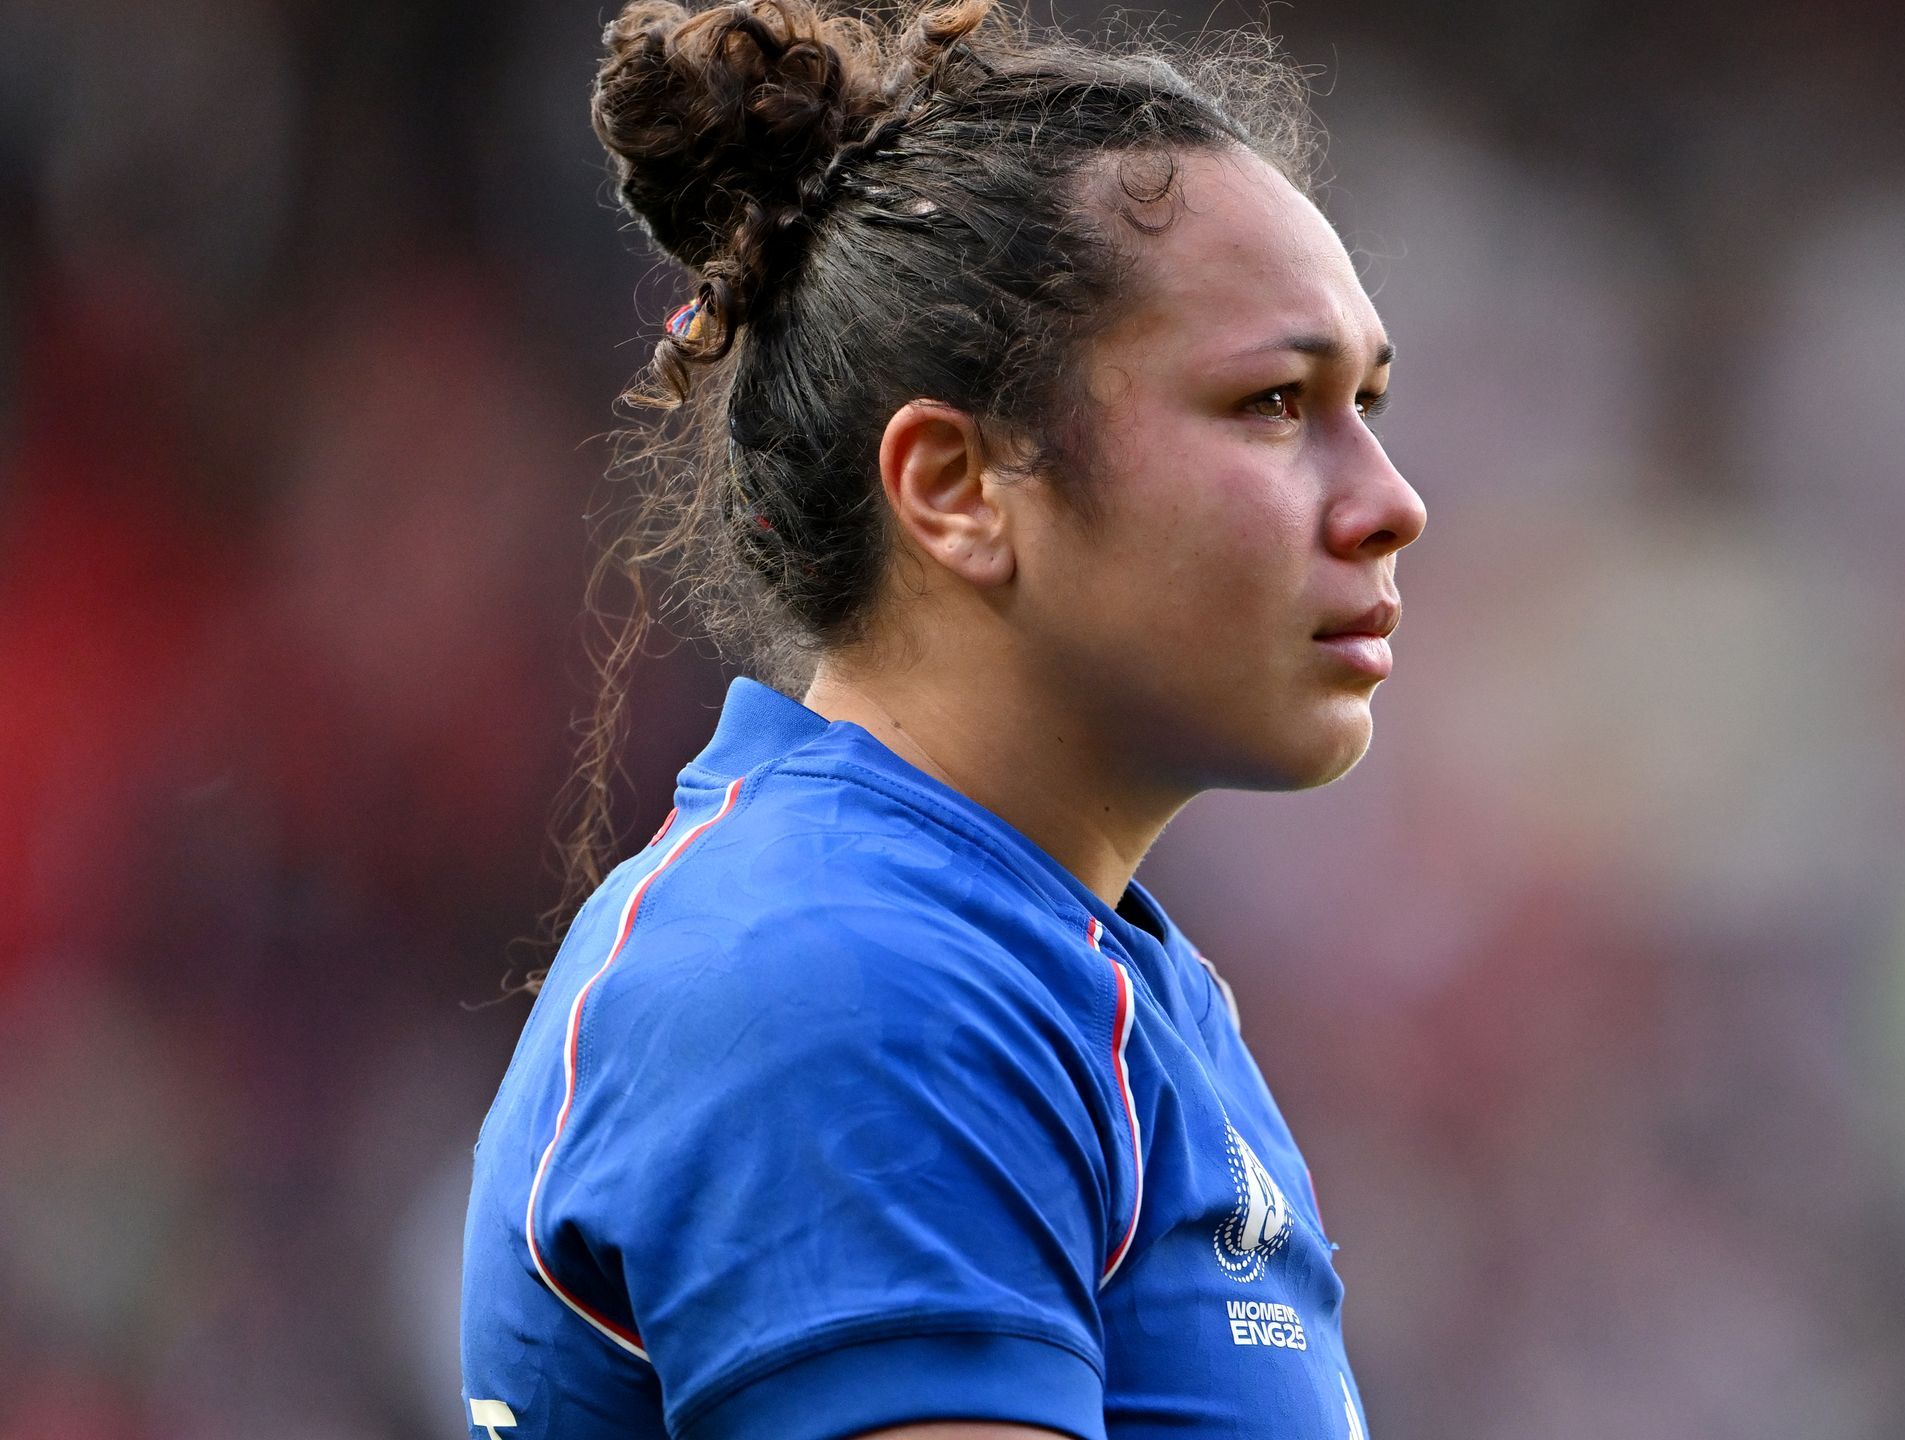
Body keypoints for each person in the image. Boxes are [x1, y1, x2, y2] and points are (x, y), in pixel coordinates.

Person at [456, 1, 1422, 1437]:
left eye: (1370, 403)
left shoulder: (1031, 962)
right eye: (1275, 403)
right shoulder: (845, 981)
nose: (1391, 503)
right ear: (958, 488)